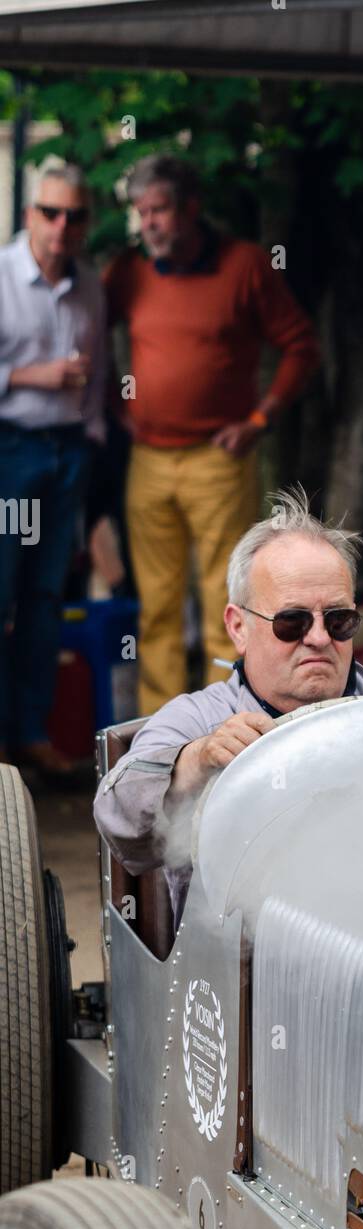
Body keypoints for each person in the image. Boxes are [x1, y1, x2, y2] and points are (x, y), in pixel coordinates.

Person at [93, 487, 363, 915]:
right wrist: (196, 760)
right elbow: (116, 818)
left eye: (338, 620)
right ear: (238, 627)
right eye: (291, 621)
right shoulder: (197, 718)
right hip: (241, 970)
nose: (318, 638)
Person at [104, 155, 320, 716]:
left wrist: (259, 420)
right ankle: (158, 739)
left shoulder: (245, 265)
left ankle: (225, 731)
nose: (150, 222)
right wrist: (112, 403)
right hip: (148, 457)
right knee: (155, 606)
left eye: (161, 210)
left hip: (218, 459)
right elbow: (86, 328)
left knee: (227, 604)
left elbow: (300, 344)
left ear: (191, 209)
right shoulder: (128, 271)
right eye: (142, 211)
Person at [0, 163, 107, 776]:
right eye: (50, 212)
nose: (62, 225)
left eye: (74, 214)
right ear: (28, 216)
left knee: (45, 599)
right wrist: (27, 376)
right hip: (11, 450)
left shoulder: (90, 285)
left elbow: (100, 374)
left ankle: (32, 734)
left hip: (68, 453)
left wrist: (90, 439)